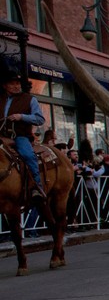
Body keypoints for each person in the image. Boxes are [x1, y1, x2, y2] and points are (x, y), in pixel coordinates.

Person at [0, 58, 46, 199]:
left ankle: (36, 187)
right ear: (4, 85)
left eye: (18, 83)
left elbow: (40, 119)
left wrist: (22, 117)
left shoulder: (29, 99)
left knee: (28, 155)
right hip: (1, 136)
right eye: (12, 83)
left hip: (20, 136)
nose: (16, 86)